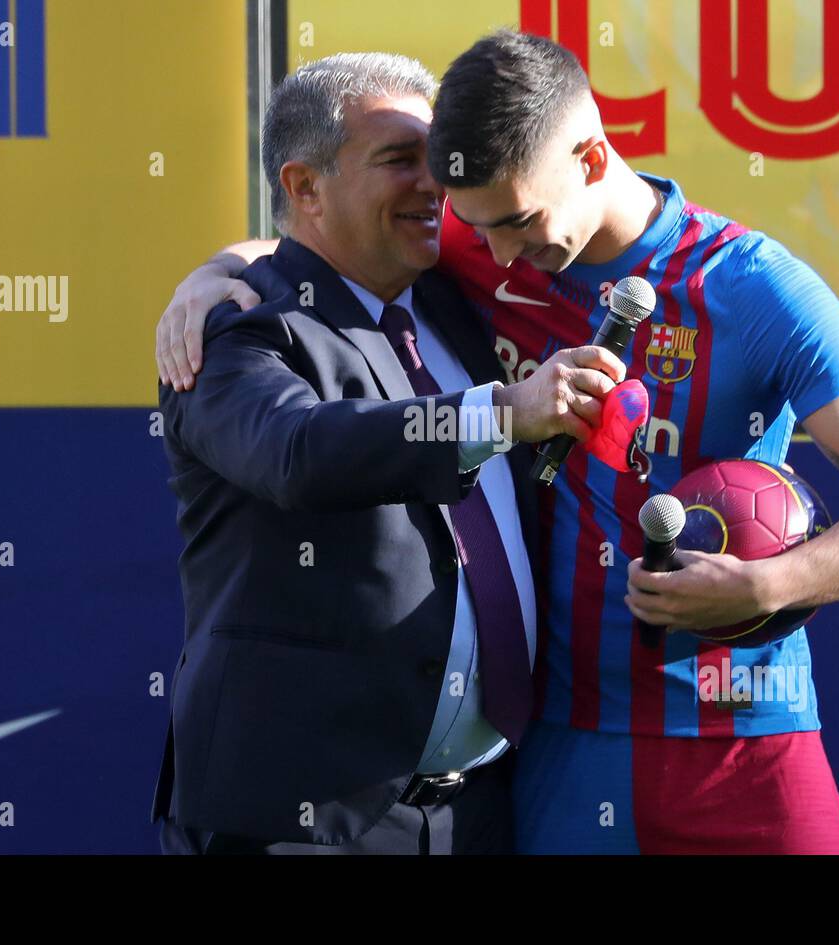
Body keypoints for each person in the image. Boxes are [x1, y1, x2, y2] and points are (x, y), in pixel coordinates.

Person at [156, 31, 839, 854]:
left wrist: (774, 584)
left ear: (590, 156)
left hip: (748, 732)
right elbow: (334, 245)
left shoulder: (756, 286)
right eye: (476, 226)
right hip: (563, 746)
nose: (499, 253)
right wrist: (224, 268)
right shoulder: (477, 247)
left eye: (516, 223)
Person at [151, 50, 624, 854]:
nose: (434, 183)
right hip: (300, 821)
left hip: (476, 813)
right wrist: (506, 411)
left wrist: (231, 252)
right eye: (399, 160)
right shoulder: (234, 332)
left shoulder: (453, 299)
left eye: (436, 158)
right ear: (304, 188)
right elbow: (299, 451)